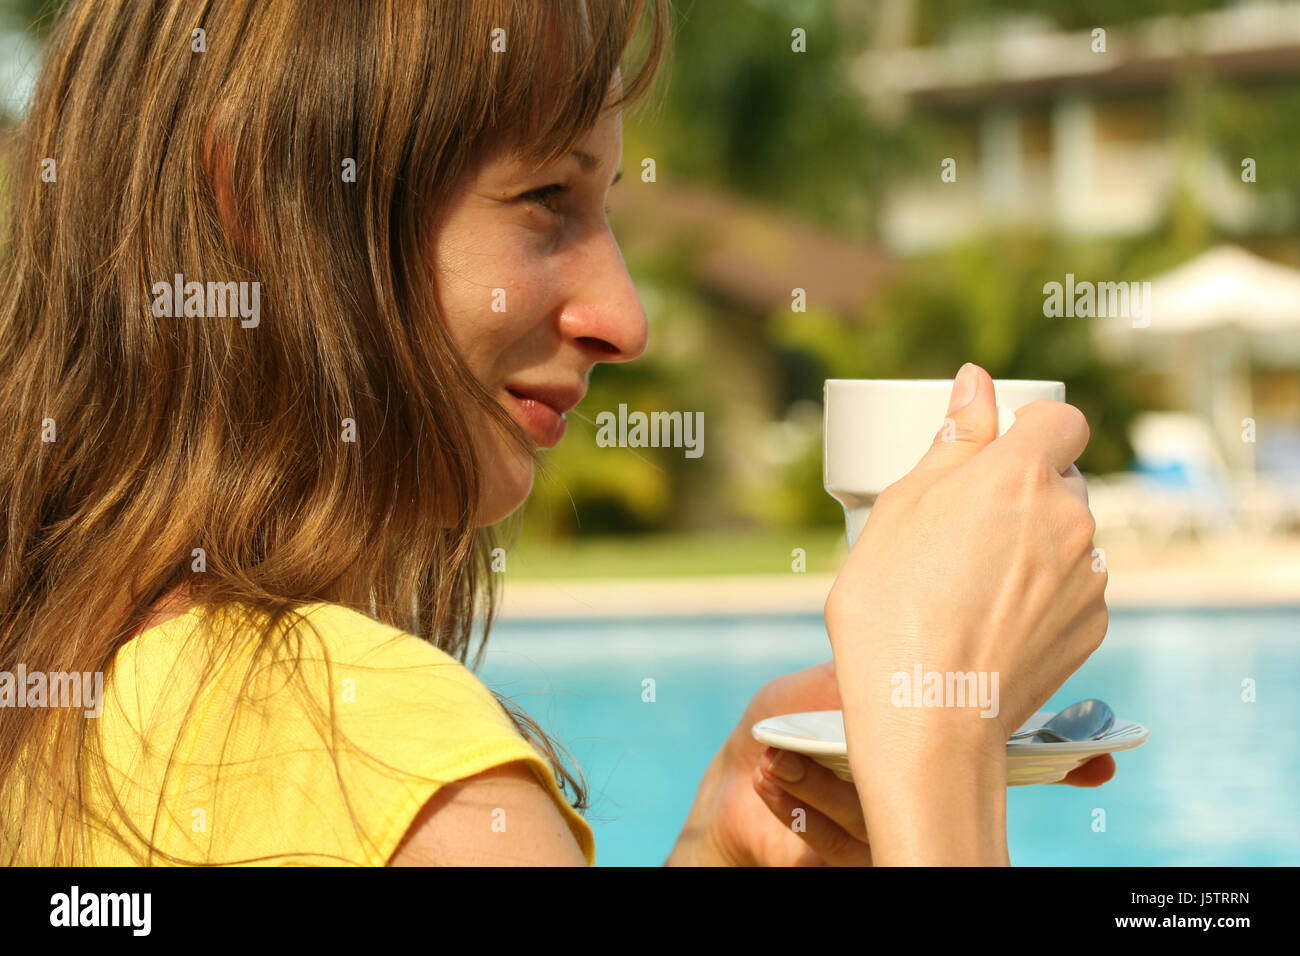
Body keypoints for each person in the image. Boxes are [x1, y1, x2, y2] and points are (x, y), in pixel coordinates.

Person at [0, 0, 1110, 867]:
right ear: (265, 207)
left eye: (608, 209)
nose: (623, 317)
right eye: (544, 199)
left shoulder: (70, 681)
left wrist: (711, 847)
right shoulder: (387, 768)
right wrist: (938, 746)